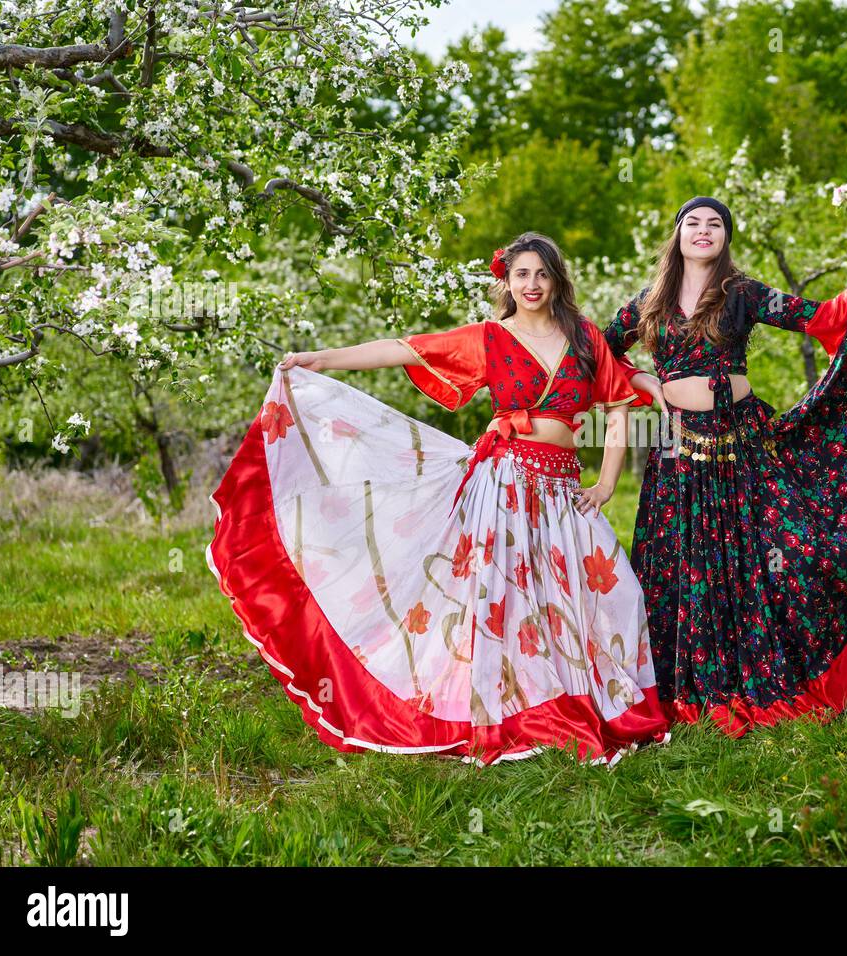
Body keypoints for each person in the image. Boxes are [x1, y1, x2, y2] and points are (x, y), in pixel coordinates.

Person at [206, 232, 669, 765]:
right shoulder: (490, 337)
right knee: (504, 602)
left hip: (563, 487)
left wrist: (607, 483)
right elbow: (404, 349)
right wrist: (320, 358)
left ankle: (585, 692)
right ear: (508, 281)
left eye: (542, 274)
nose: (532, 284)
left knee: (607, 594)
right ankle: (515, 706)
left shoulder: (586, 339)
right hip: (504, 483)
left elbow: (616, 407)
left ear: (557, 280)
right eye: (521, 274)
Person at [601, 196, 847, 735]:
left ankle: (769, 680)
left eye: (714, 224)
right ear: (677, 235)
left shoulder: (740, 293)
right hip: (678, 455)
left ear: (725, 238)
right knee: (685, 571)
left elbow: (825, 317)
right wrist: (646, 383)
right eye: (692, 222)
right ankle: (685, 692)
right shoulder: (649, 302)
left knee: (773, 559)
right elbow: (598, 354)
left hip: (742, 446)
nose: (703, 231)